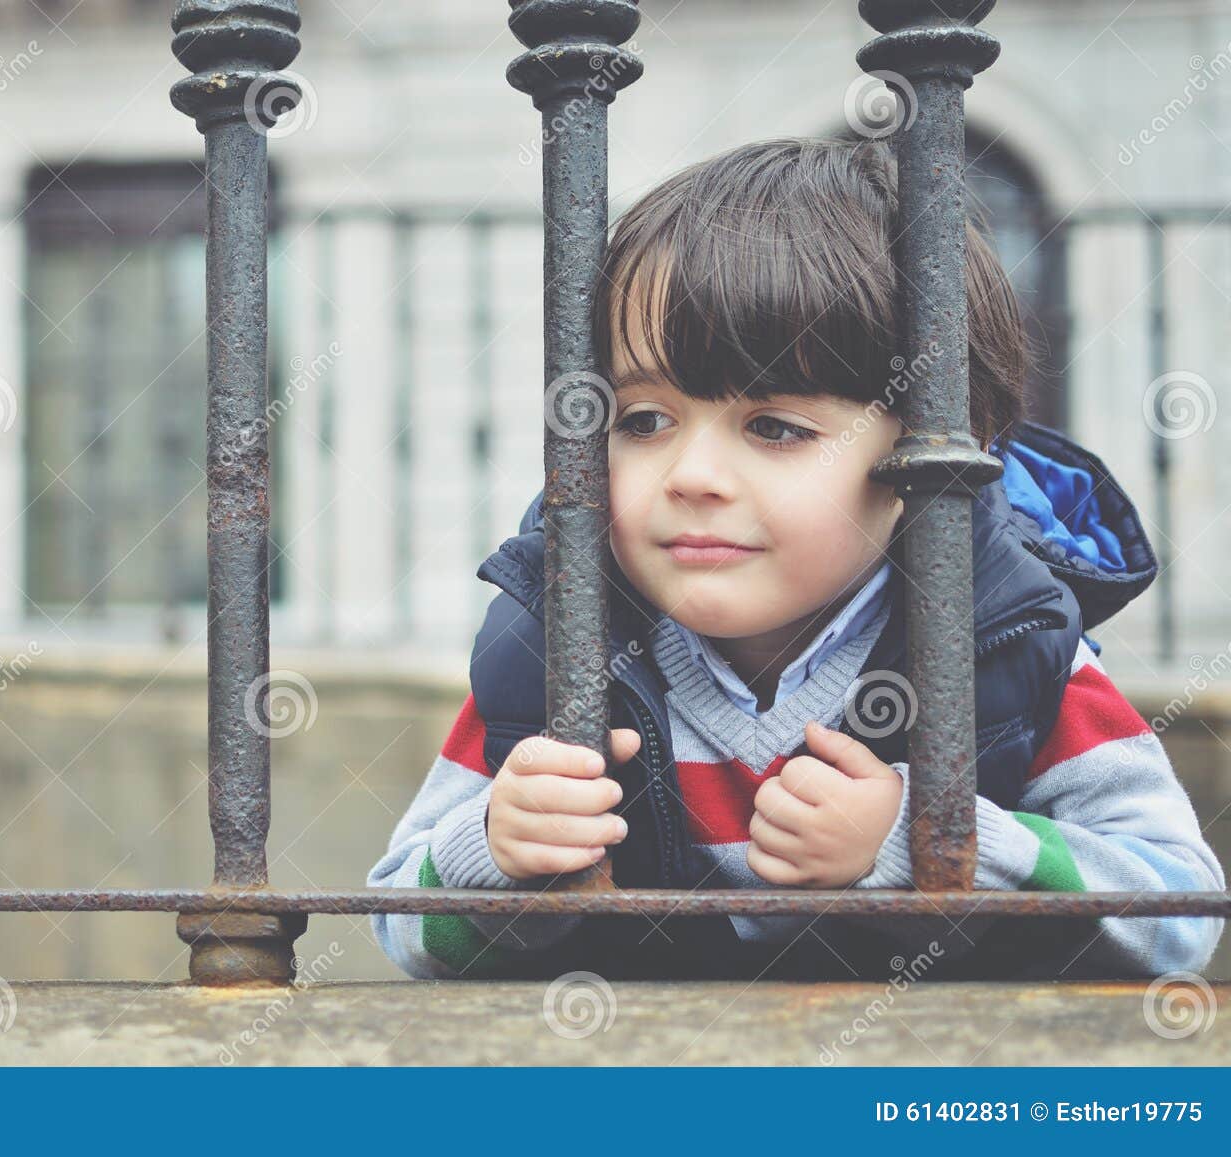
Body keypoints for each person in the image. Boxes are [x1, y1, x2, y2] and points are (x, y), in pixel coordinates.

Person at [367, 137, 1226, 982]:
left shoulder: (1009, 642)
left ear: (933, 454)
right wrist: (490, 856)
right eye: (642, 421)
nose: (692, 476)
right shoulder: (553, 646)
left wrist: (932, 840)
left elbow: (1177, 912)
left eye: (776, 427)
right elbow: (395, 912)